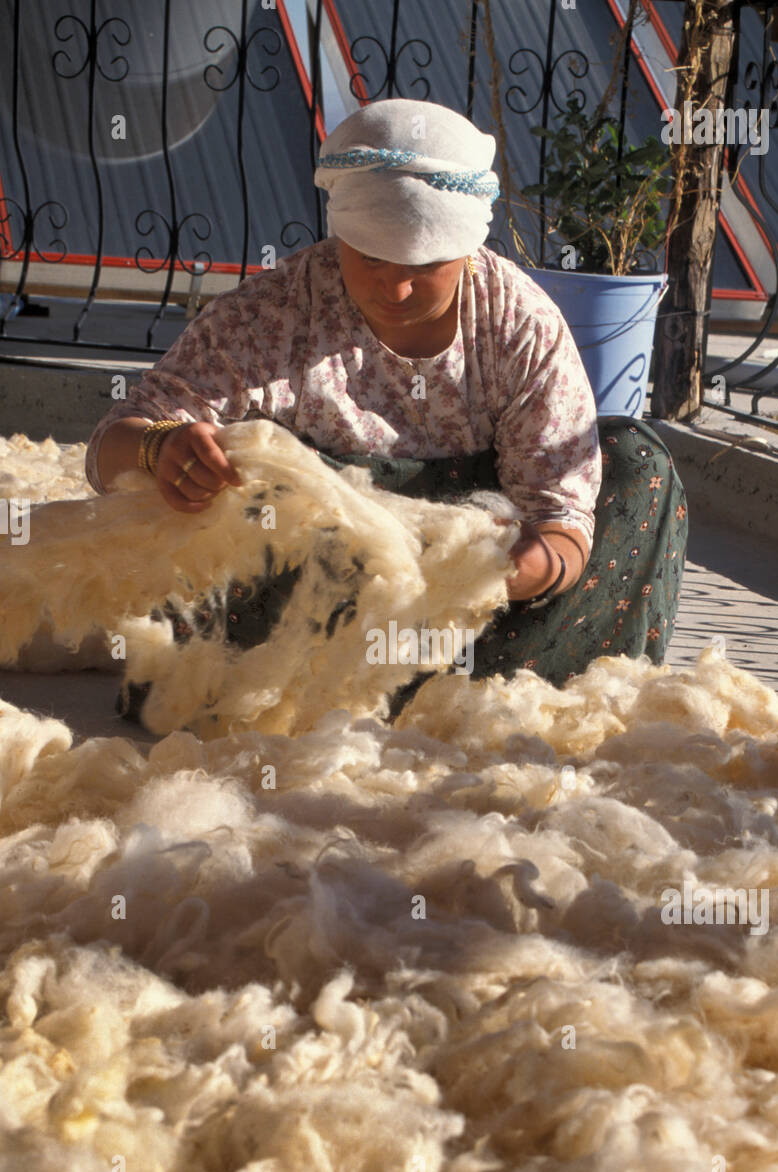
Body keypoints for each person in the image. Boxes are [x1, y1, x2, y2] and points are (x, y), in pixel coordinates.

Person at [86, 97, 686, 719]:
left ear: (468, 249)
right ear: (340, 233)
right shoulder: (272, 314)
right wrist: (162, 450)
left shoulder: (520, 324)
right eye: (370, 257)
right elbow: (109, 451)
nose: (395, 288)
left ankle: (471, 688)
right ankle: (297, 685)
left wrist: (511, 569)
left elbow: (560, 517)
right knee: (237, 503)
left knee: (636, 466)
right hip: (317, 602)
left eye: (425, 266)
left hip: (476, 617)